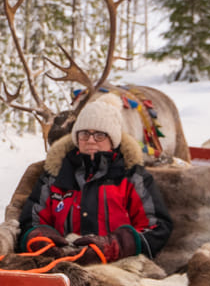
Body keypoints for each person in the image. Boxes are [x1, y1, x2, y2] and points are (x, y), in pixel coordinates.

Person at [20, 92, 173, 264]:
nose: (91, 140)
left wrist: (113, 246)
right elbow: (31, 220)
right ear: (76, 138)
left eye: (100, 135)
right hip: (61, 264)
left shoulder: (133, 177)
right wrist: (43, 240)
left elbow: (156, 227)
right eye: (84, 134)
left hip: (117, 267)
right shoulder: (54, 176)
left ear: (113, 139)